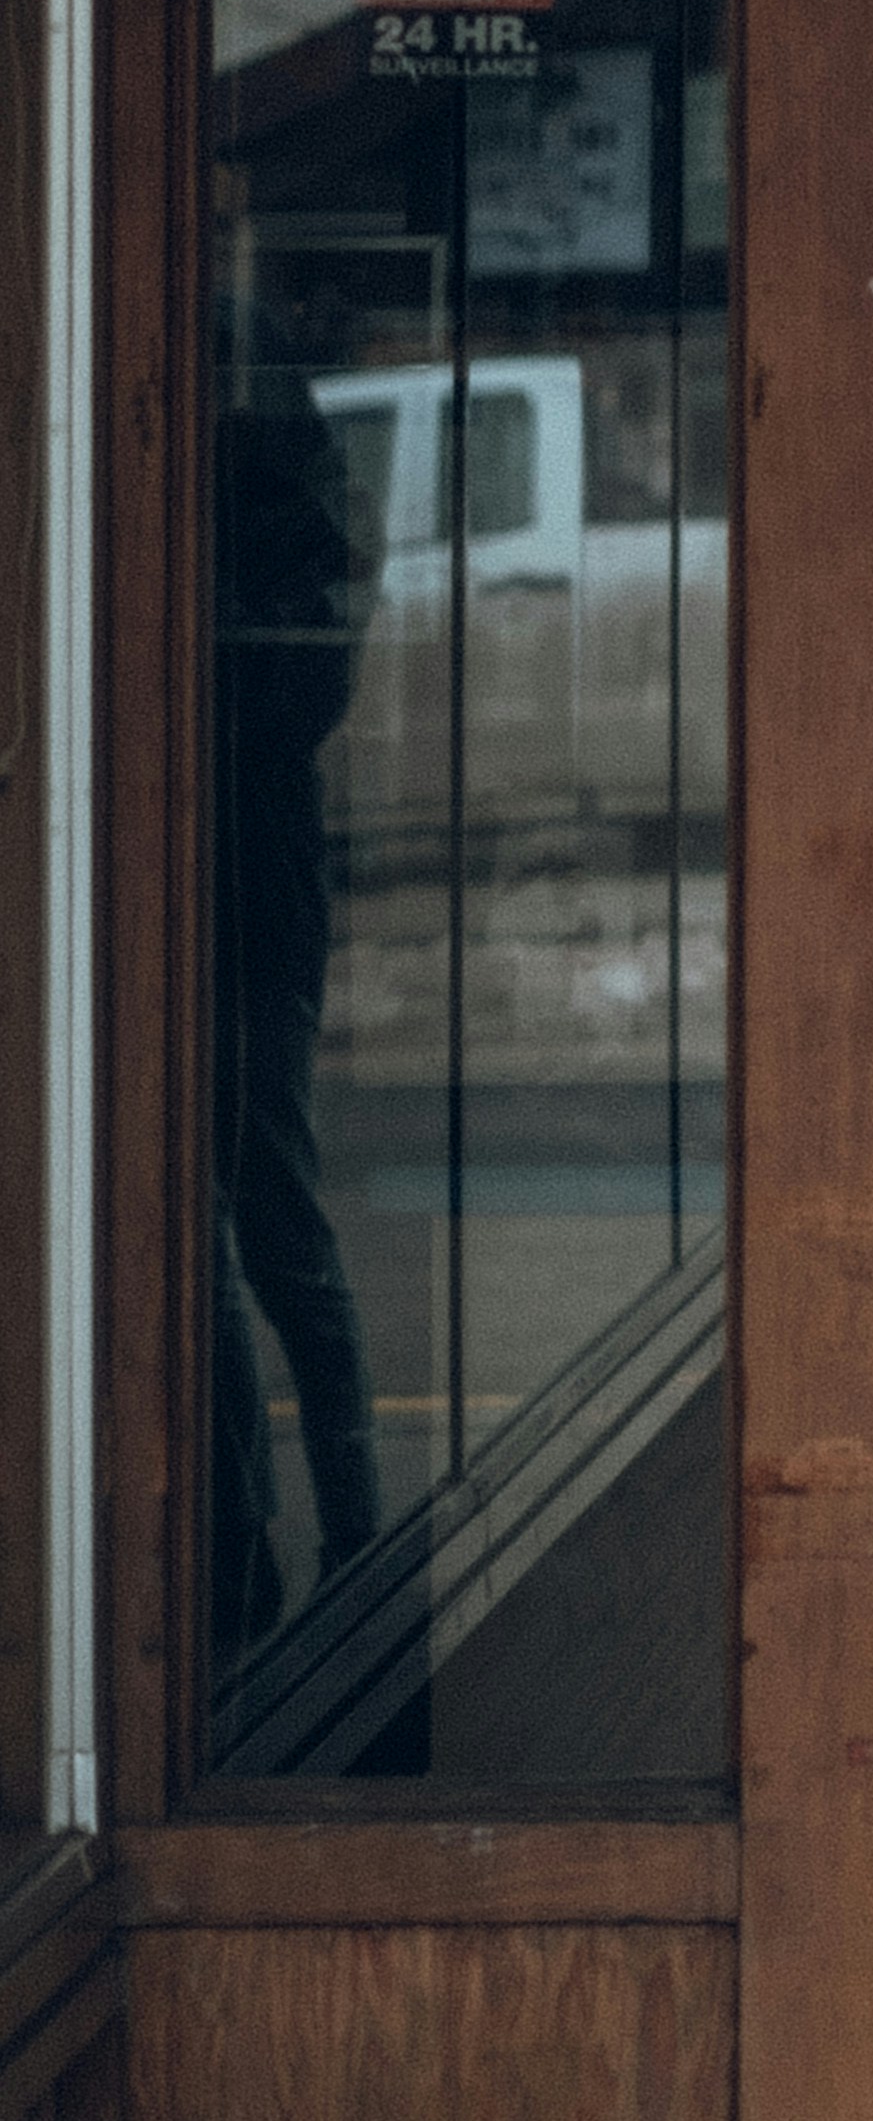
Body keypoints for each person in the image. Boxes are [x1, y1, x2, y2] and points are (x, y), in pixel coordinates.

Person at [208, 288, 385, 1665]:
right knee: (191, 1222)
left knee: (264, 1196)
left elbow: (312, 649)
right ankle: (235, 1565)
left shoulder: (258, 395)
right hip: (200, 850)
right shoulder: (224, 383)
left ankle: (355, 1540)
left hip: (247, 859)